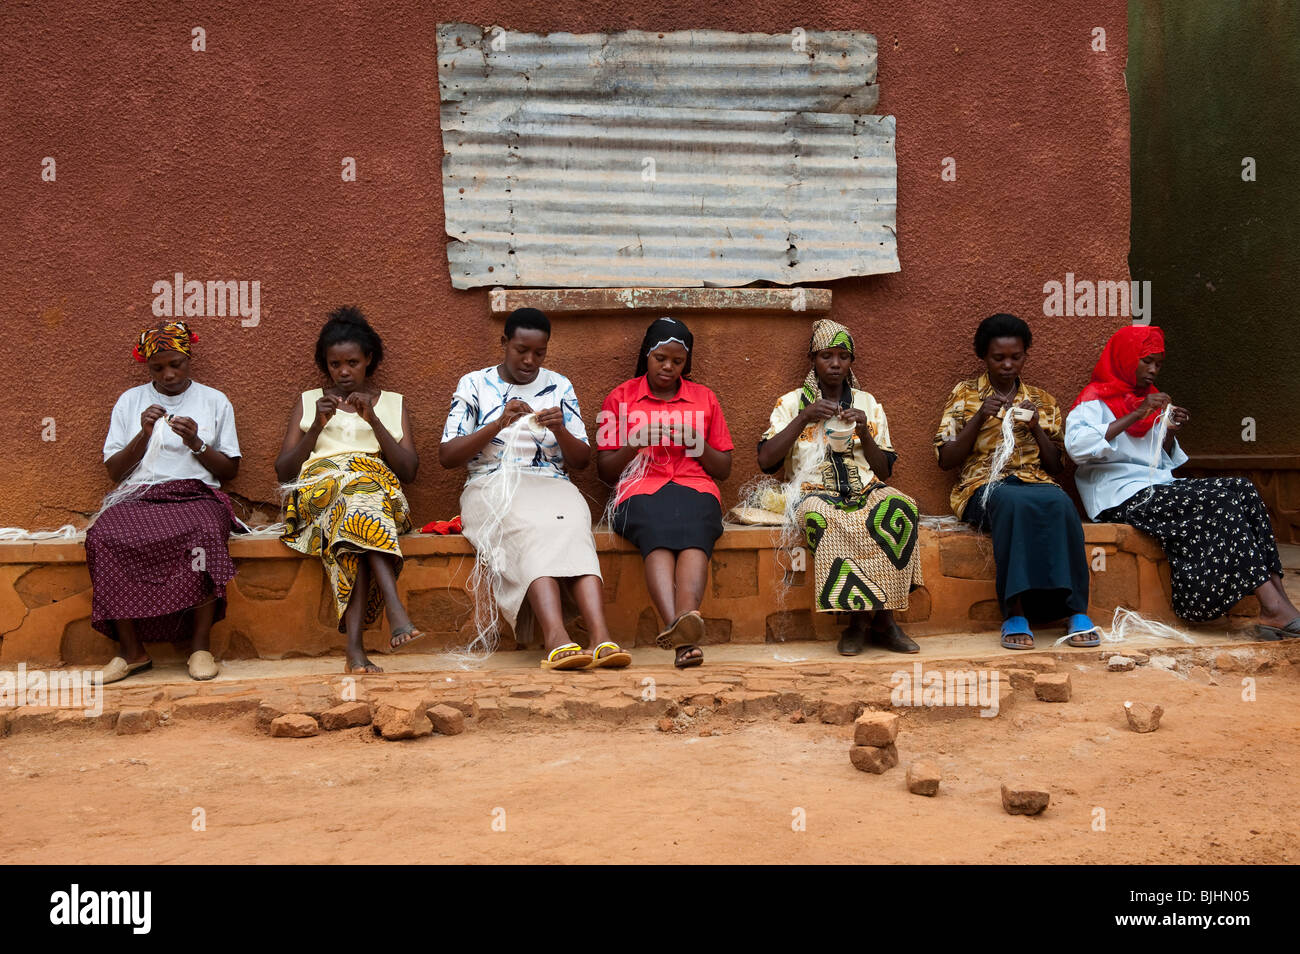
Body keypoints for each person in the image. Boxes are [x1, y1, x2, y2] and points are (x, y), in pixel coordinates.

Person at [1066, 325, 1299, 637]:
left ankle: (1280, 600)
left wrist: (1168, 430)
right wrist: (1136, 414)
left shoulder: (1149, 399)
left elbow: (1158, 459)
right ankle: (1273, 607)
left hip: (1156, 486)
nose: (1153, 370)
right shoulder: (1092, 402)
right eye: (1146, 361)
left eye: (1158, 364)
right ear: (1125, 358)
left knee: (1242, 489)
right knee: (1220, 501)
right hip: (1118, 495)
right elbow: (1077, 448)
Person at [438, 308, 630, 670]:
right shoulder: (474, 384)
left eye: (539, 353)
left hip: (550, 482)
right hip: (490, 485)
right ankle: (556, 636)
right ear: (504, 343)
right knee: (530, 526)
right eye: (521, 350)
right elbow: (447, 455)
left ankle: (601, 636)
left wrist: (560, 430)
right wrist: (497, 423)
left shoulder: (559, 385)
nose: (529, 360)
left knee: (573, 523)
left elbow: (581, 460)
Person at [87, 321, 241, 684]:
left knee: (204, 532)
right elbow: (115, 472)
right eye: (158, 368)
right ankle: (131, 651)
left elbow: (230, 470)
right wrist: (143, 434)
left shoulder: (214, 400)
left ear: (189, 358)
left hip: (195, 493)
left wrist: (196, 443)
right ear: (147, 367)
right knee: (103, 537)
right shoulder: (130, 401)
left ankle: (200, 646)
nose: (169, 374)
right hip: (139, 495)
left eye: (176, 364)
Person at [757, 319, 924, 654]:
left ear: (851, 362)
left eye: (843, 357)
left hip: (866, 487)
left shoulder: (867, 403)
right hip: (811, 491)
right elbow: (766, 461)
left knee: (901, 507)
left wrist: (864, 431)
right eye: (826, 356)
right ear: (812, 359)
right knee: (830, 517)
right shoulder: (791, 403)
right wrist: (805, 417)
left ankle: (879, 620)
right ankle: (863, 622)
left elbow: (884, 470)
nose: (835, 364)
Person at [934, 313, 1099, 650]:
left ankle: (1075, 610)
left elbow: (1055, 467)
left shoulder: (1041, 400)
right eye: (998, 358)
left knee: (1061, 503)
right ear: (984, 357)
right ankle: (1015, 611)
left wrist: (1037, 427)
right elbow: (946, 458)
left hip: (1035, 482)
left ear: (1026, 355)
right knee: (1011, 502)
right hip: (981, 486)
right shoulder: (964, 396)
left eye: (1016, 357)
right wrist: (980, 416)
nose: (1007, 365)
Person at [275, 306, 423, 674]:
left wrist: (372, 420)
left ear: (369, 360)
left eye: (352, 363)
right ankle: (394, 608)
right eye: (334, 364)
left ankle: (355, 651)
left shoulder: (391, 402)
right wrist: (316, 427)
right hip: (318, 494)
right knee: (354, 494)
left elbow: (409, 470)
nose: (343, 372)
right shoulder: (311, 401)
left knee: (355, 517)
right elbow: (284, 471)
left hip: (375, 494)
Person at [596, 317, 733, 668]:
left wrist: (697, 444)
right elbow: (605, 471)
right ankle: (680, 632)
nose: (668, 367)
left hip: (694, 484)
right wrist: (633, 444)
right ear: (647, 355)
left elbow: (723, 469)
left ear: (687, 363)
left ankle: (683, 622)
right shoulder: (620, 398)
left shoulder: (705, 398)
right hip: (638, 488)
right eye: (661, 359)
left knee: (696, 529)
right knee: (655, 530)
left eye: (677, 361)